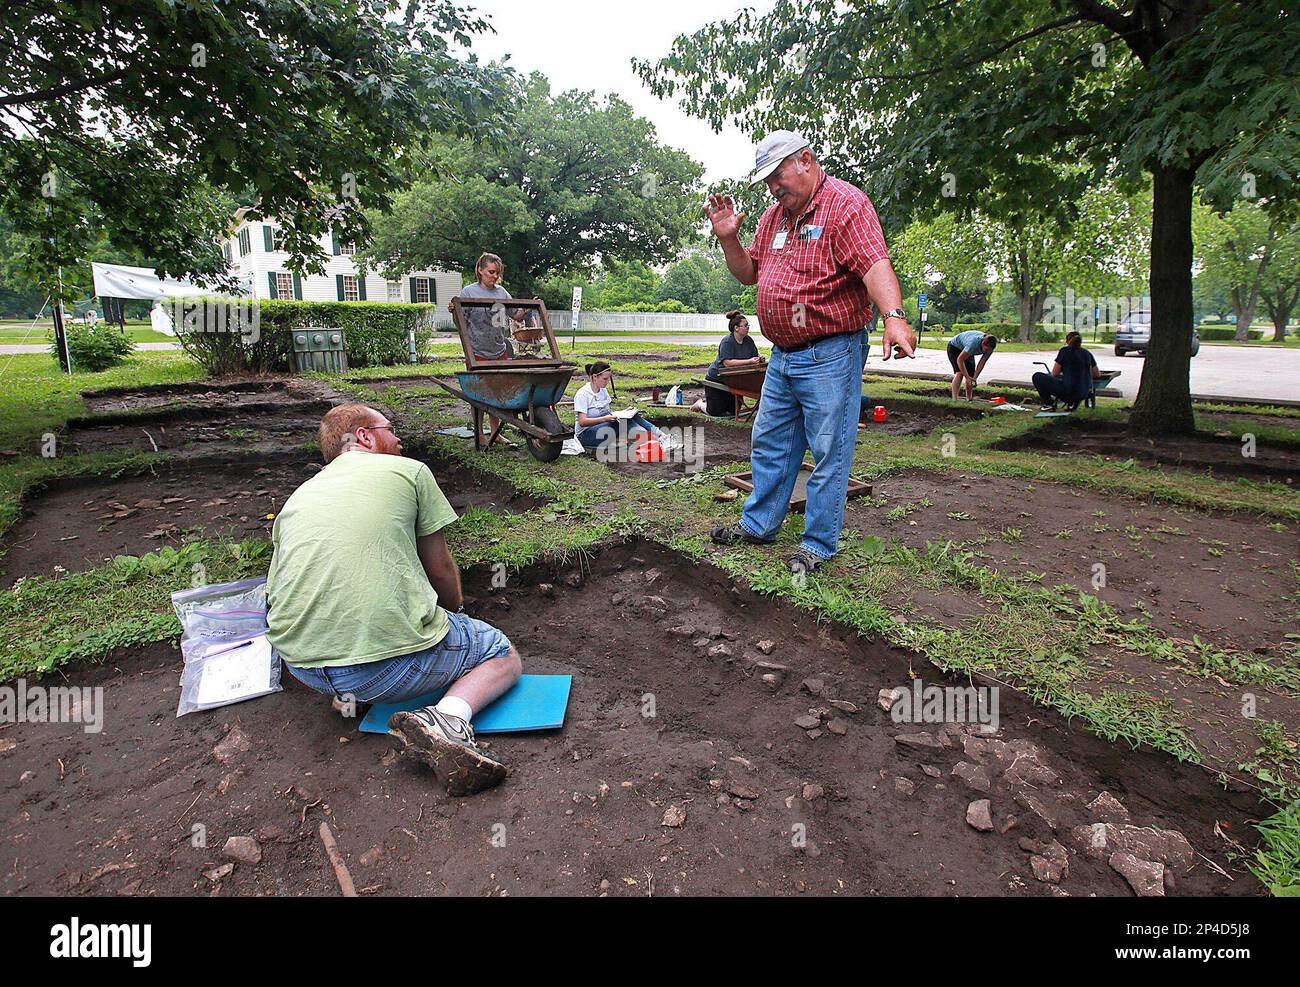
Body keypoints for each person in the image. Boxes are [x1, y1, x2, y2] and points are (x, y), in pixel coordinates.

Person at [266, 403, 522, 797]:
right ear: (365, 436)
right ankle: (448, 721)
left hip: (302, 664)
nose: (399, 438)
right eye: (391, 428)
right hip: (381, 668)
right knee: (500, 652)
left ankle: (347, 696)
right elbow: (439, 569)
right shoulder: (409, 471)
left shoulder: (297, 499)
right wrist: (454, 615)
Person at [704, 130, 915, 574]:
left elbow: (875, 264)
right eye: (767, 181)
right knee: (770, 444)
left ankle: (818, 545)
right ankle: (759, 524)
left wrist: (893, 316)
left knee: (828, 452)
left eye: (778, 175)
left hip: (830, 353)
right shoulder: (773, 217)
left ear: (805, 161)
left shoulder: (846, 205)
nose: (773, 187)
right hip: (781, 355)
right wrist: (728, 239)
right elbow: (748, 273)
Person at [455, 252, 535, 447]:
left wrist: (525, 310)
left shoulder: (501, 293)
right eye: (491, 272)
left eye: (497, 273)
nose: (494, 276)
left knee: (496, 393)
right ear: (480, 270)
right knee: (479, 394)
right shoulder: (469, 293)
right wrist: (453, 310)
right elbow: (461, 323)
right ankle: (480, 434)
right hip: (477, 350)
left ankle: (495, 433)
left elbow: (514, 314)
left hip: (499, 348)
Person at [573, 361, 678, 452]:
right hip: (586, 435)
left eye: (608, 379)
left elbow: (606, 412)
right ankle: (655, 441)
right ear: (595, 377)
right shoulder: (583, 394)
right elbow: (582, 422)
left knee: (632, 416)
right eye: (605, 379)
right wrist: (606, 419)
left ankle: (662, 436)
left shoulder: (603, 390)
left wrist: (624, 412)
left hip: (603, 427)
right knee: (622, 422)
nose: (607, 382)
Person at [691, 310, 765, 416]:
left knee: (733, 411)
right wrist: (749, 361)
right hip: (718, 378)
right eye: (745, 325)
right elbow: (727, 363)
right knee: (714, 411)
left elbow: (754, 356)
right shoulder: (727, 342)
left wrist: (759, 359)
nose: (748, 327)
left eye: (748, 325)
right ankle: (700, 404)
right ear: (736, 328)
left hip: (736, 378)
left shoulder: (749, 340)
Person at [1033, 331, 1100, 410]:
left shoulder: (1064, 351)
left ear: (1067, 341)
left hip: (1068, 392)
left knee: (1037, 377)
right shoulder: (1087, 353)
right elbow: (1096, 374)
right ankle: (1072, 404)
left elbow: (1055, 373)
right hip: (1083, 393)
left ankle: (1048, 404)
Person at [947, 329, 997, 400]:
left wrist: (974, 378)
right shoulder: (973, 344)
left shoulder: (990, 348)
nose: (987, 352)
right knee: (960, 373)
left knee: (971, 374)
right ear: (983, 343)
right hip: (954, 347)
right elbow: (960, 360)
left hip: (966, 349)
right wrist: (967, 377)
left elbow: (982, 363)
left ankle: (969, 398)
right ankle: (954, 399)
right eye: (986, 350)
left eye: (989, 351)